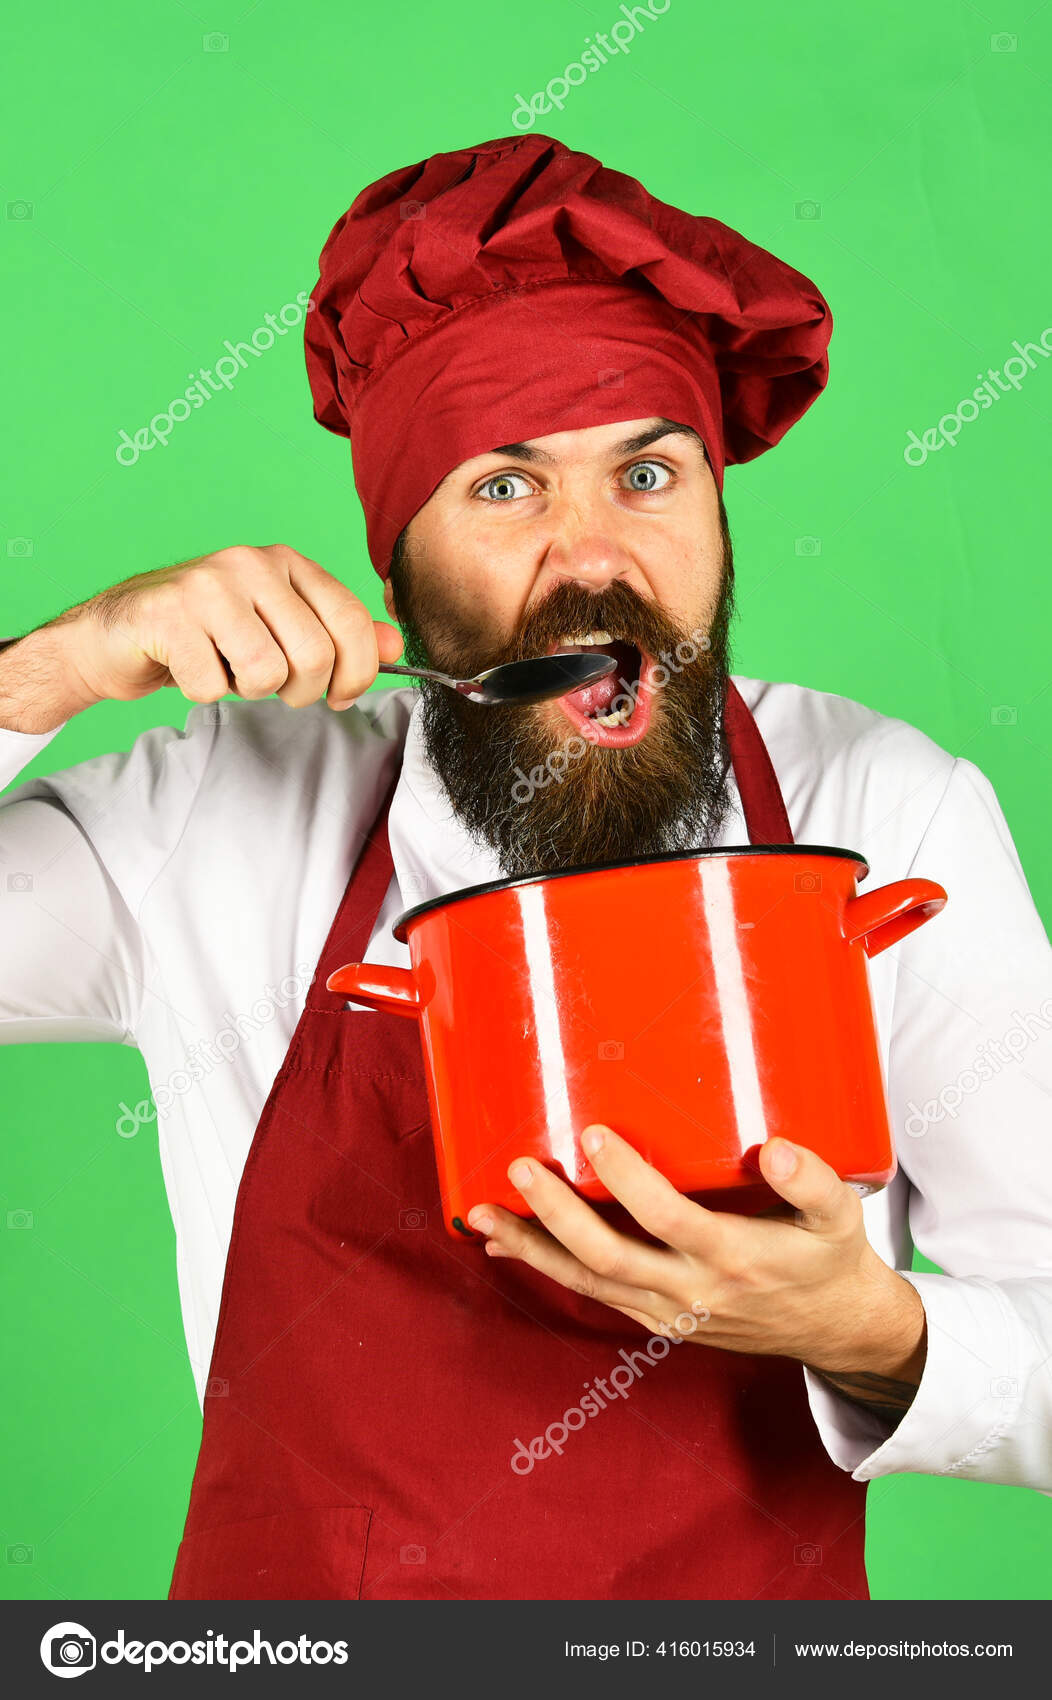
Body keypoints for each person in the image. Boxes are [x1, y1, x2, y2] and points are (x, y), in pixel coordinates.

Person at [1, 135, 1049, 1603]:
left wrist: (878, 1329)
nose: (594, 557)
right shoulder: (221, 818)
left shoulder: (886, 809)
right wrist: (47, 672)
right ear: (401, 562)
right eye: (504, 488)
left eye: (646, 471)